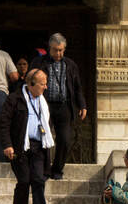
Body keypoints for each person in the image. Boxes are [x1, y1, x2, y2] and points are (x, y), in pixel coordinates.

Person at [0, 67, 54, 204]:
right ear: (31, 84)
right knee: (24, 181)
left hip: (38, 146)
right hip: (19, 147)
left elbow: (49, 125)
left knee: (38, 180)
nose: (45, 87)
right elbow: (4, 123)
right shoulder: (14, 99)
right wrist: (7, 145)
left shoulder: (43, 102)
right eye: (42, 84)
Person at [30, 33, 87, 181]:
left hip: (64, 106)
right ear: (49, 48)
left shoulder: (70, 65)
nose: (58, 53)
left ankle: (57, 169)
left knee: (65, 139)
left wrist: (82, 105)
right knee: (44, 138)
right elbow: (30, 83)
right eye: (55, 50)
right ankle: (44, 169)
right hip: (45, 105)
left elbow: (77, 87)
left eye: (61, 50)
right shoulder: (39, 62)